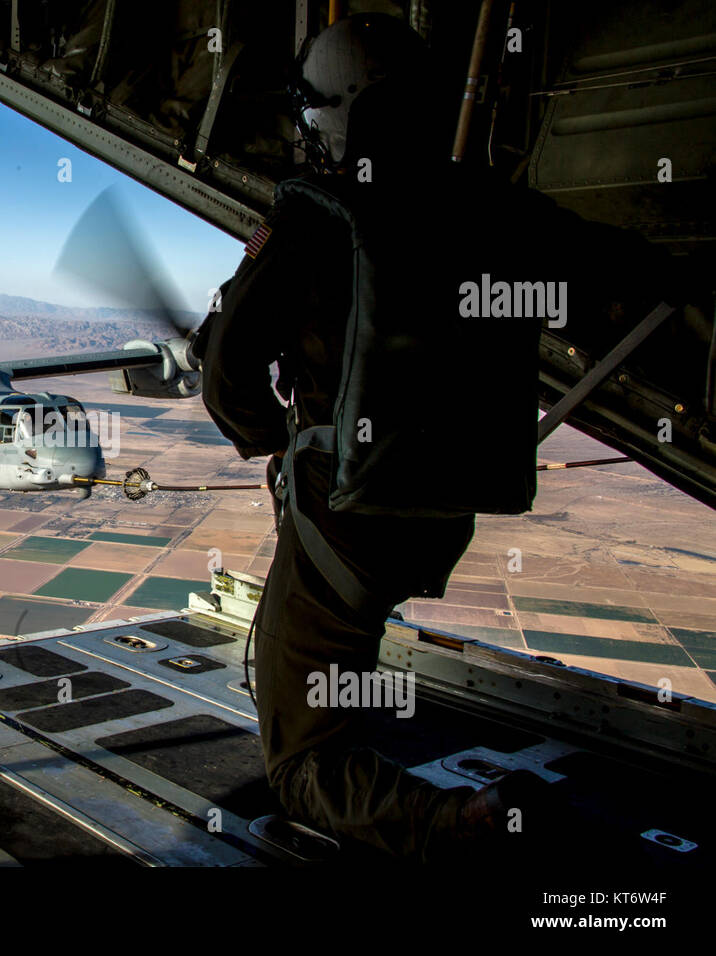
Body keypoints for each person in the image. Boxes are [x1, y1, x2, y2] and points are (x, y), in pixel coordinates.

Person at [193, 12, 687, 862]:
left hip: (341, 520)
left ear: (340, 115)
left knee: (301, 759)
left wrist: (275, 440)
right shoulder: (495, 209)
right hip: (441, 516)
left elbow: (227, 368)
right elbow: (622, 274)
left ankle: (455, 826)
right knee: (345, 648)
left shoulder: (315, 218)